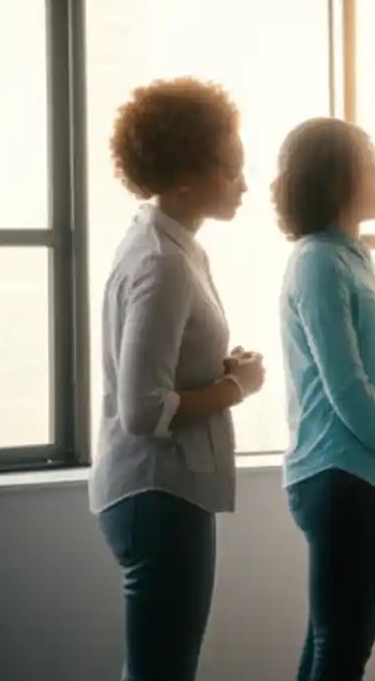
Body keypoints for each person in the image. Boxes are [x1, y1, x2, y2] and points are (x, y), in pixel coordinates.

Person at [90, 77, 267, 680]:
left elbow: (160, 367)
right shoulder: (161, 262)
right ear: (186, 177)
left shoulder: (175, 246)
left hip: (163, 492)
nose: (244, 183)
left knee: (163, 666)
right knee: (163, 670)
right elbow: (142, 410)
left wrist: (217, 372)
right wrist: (236, 389)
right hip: (157, 493)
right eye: (231, 169)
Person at [273, 117, 375, 681]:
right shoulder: (317, 259)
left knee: (331, 644)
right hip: (341, 473)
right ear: (339, 177)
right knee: (342, 648)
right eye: (373, 164)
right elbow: (344, 382)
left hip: (362, 471)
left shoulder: (349, 255)